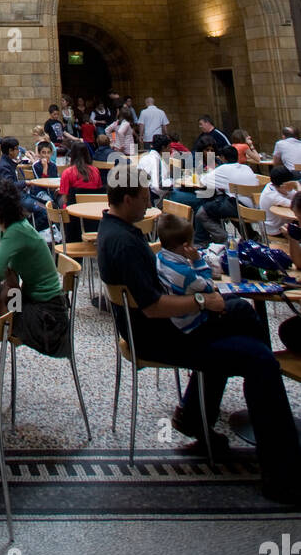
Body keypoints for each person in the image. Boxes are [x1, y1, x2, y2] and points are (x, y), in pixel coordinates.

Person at [98, 167, 301, 502]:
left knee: (240, 312)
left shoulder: (116, 229)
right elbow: (153, 307)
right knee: (260, 358)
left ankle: (196, 415)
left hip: (162, 327)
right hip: (162, 336)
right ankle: (282, 476)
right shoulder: (123, 242)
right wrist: (201, 300)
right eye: (146, 197)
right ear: (129, 198)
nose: (151, 203)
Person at [0, 179, 69, 357]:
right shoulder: (13, 227)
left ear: (3, 209)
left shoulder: (15, 232)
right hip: (37, 301)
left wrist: (10, 285)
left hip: (48, 317)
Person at [155, 214, 220, 333]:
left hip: (174, 319)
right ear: (186, 246)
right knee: (240, 307)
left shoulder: (158, 257)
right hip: (193, 323)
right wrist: (198, 261)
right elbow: (209, 287)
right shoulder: (186, 274)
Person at [259, 165, 300, 236]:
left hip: (283, 222)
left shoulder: (277, 185)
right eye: (291, 182)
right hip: (275, 229)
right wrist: (297, 185)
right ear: (284, 185)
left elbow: (296, 195)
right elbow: (299, 203)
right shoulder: (272, 196)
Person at [137, 132, 173, 202]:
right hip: (153, 198)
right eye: (169, 147)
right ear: (163, 147)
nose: (170, 150)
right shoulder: (157, 161)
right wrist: (173, 182)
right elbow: (158, 187)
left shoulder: (144, 157)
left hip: (141, 194)